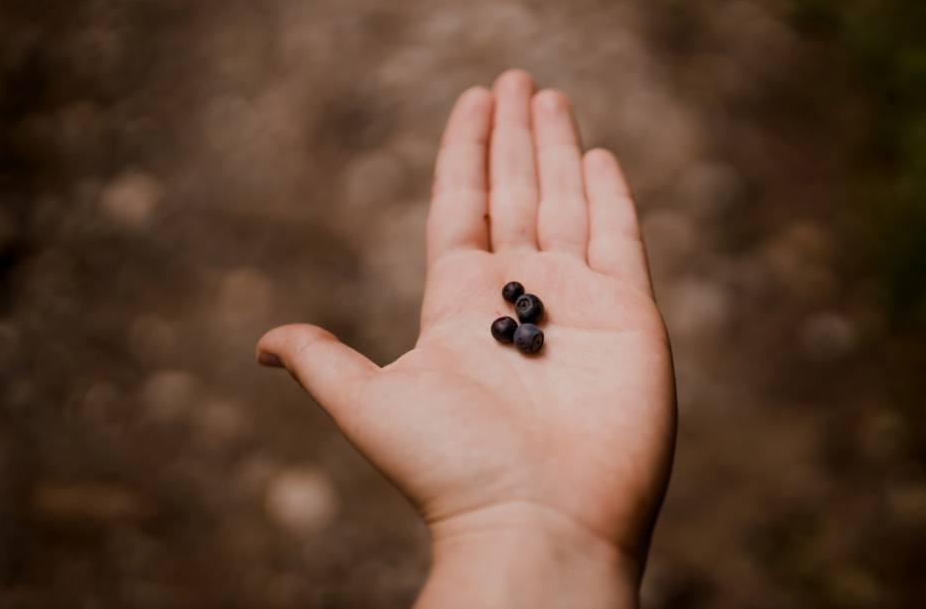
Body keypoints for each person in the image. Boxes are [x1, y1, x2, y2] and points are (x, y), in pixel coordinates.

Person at [255, 69, 677, 608]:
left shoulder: (525, 324)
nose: (522, 319)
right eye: (520, 317)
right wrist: (532, 524)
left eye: (522, 317)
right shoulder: (522, 324)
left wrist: (511, 526)